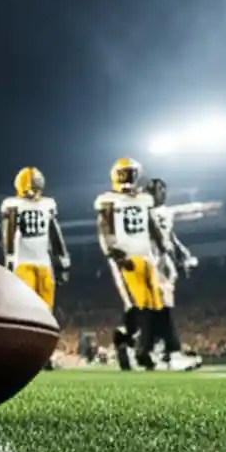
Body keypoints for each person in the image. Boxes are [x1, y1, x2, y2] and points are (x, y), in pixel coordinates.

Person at [94, 157, 164, 370]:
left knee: (154, 304)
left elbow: (151, 225)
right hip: (126, 256)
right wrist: (113, 252)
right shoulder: (108, 199)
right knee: (138, 303)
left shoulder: (143, 199)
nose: (129, 178)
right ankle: (139, 350)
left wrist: (163, 246)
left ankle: (127, 339)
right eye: (125, 174)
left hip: (146, 255)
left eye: (132, 174)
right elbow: (104, 228)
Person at [0, 167, 70, 368]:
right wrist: (10, 260)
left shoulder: (47, 204)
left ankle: (43, 354)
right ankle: (23, 352)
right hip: (23, 263)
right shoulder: (13, 205)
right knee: (26, 310)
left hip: (43, 263)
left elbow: (55, 234)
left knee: (46, 312)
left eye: (36, 184)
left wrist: (62, 260)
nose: (33, 188)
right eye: (31, 184)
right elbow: (8, 234)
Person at [145, 177, 200, 371]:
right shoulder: (142, 211)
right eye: (156, 189)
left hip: (163, 262)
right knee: (159, 307)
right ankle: (169, 351)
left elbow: (170, 236)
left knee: (160, 307)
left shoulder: (166, 212)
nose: (160, 193)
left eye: (161, 189)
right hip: (149, 260)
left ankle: (154, 350)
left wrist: (182, 253)